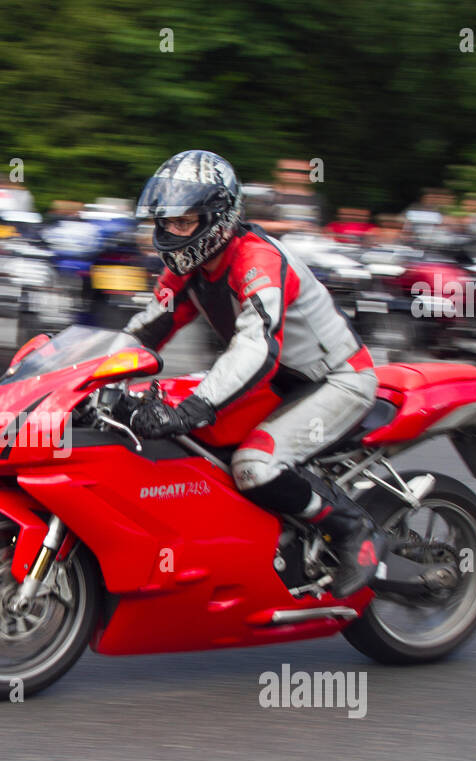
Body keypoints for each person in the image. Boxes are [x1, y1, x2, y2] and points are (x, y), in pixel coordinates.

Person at [123, 150, 384, 597]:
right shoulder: (188, 269)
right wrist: (85, 381)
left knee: (253, 466)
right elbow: (141, 333)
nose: (169, 232)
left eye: (182, 222)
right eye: (165, 221)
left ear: (217, 218)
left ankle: (352, 529)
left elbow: (255, 345)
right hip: (279, 381)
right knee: (190, 442)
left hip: (335, 380)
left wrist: (194, 407)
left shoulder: (257, 260)